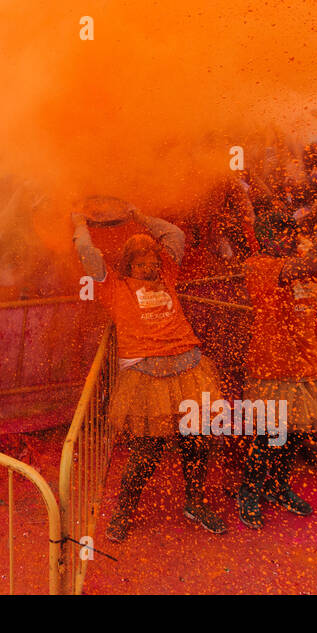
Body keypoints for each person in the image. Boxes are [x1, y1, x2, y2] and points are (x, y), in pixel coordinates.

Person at [72, 205, 227, 541]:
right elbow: (86, 251)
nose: (150, 269)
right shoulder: (112, 285)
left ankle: (196, 504)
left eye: (154, 263)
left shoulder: (168, 274)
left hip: (189, 366)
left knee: (197, 443)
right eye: (142, 265)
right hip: (145, 374)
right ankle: (124, 512)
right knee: (147, 450)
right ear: (129, 265)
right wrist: (78, 221)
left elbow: (176, 235)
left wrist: (136, 215)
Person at [238, 211, 317, 527]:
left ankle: (278, 486)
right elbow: (313, 264)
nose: (288, 240)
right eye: (282, 234)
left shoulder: (300, 265)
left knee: (293, 435)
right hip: (273, 366)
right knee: (266, 436)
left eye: (290, 234)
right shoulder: (259, 266)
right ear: (266, 240)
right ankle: (249, 491)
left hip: (307, 365)